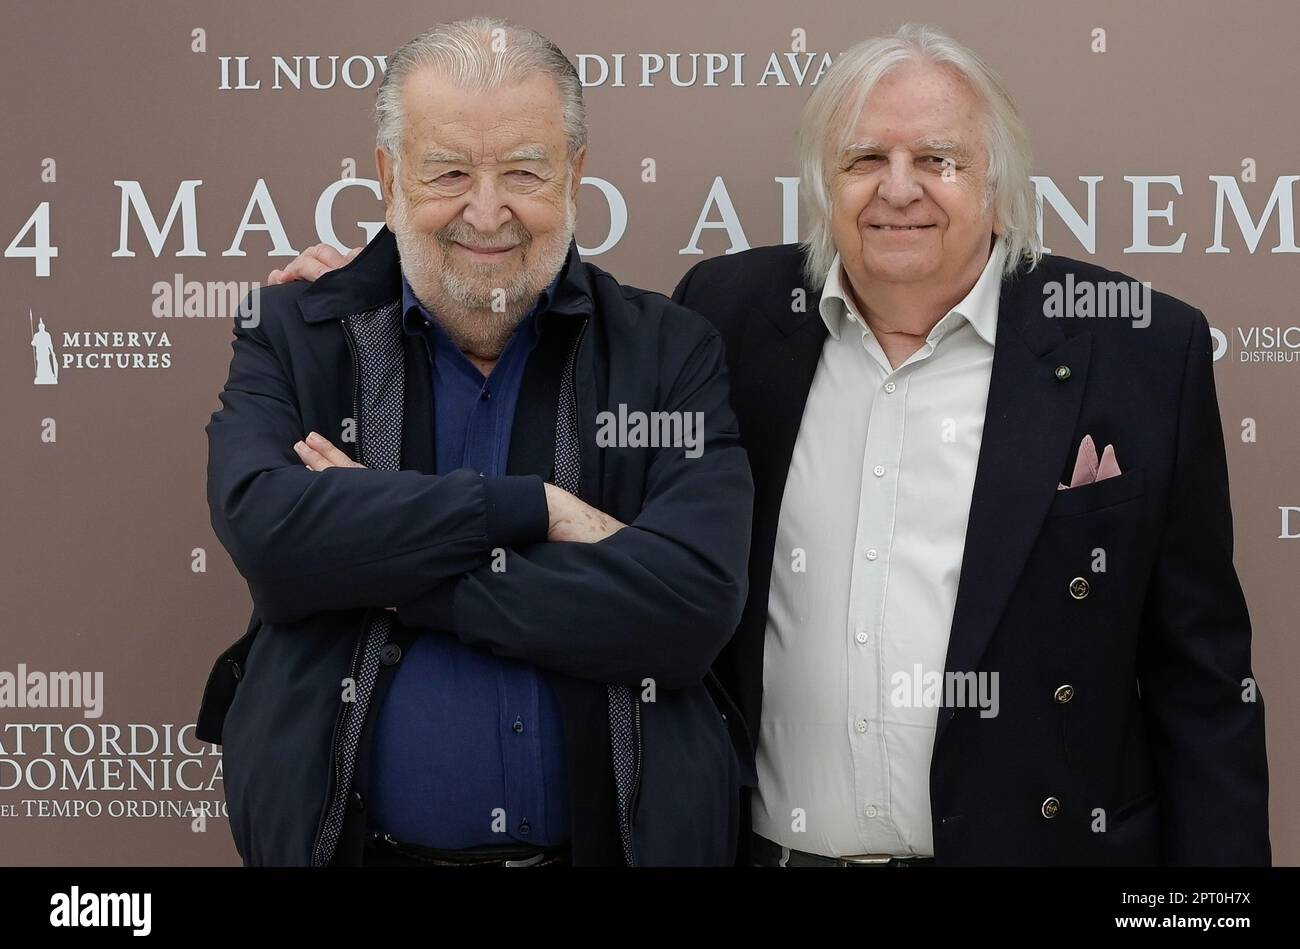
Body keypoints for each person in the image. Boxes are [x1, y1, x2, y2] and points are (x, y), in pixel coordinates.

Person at [271, 22, 1270, 866]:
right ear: (822, 183)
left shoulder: (1137, 348)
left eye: (938, 160)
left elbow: (1202, 679)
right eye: (864, 160)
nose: (899, 190)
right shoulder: (734, 314)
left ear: (999, 184)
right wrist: (386, 282)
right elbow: (537, 306)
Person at [196, 17, 754, 868]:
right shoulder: (299, 334)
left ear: (574, 175)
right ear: (390, 177)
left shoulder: (669, 350)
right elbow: (272, 538)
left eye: (523, 172)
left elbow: (689, 610)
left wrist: (381, 565)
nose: (486, 211)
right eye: (449, 171)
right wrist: (537, 510)